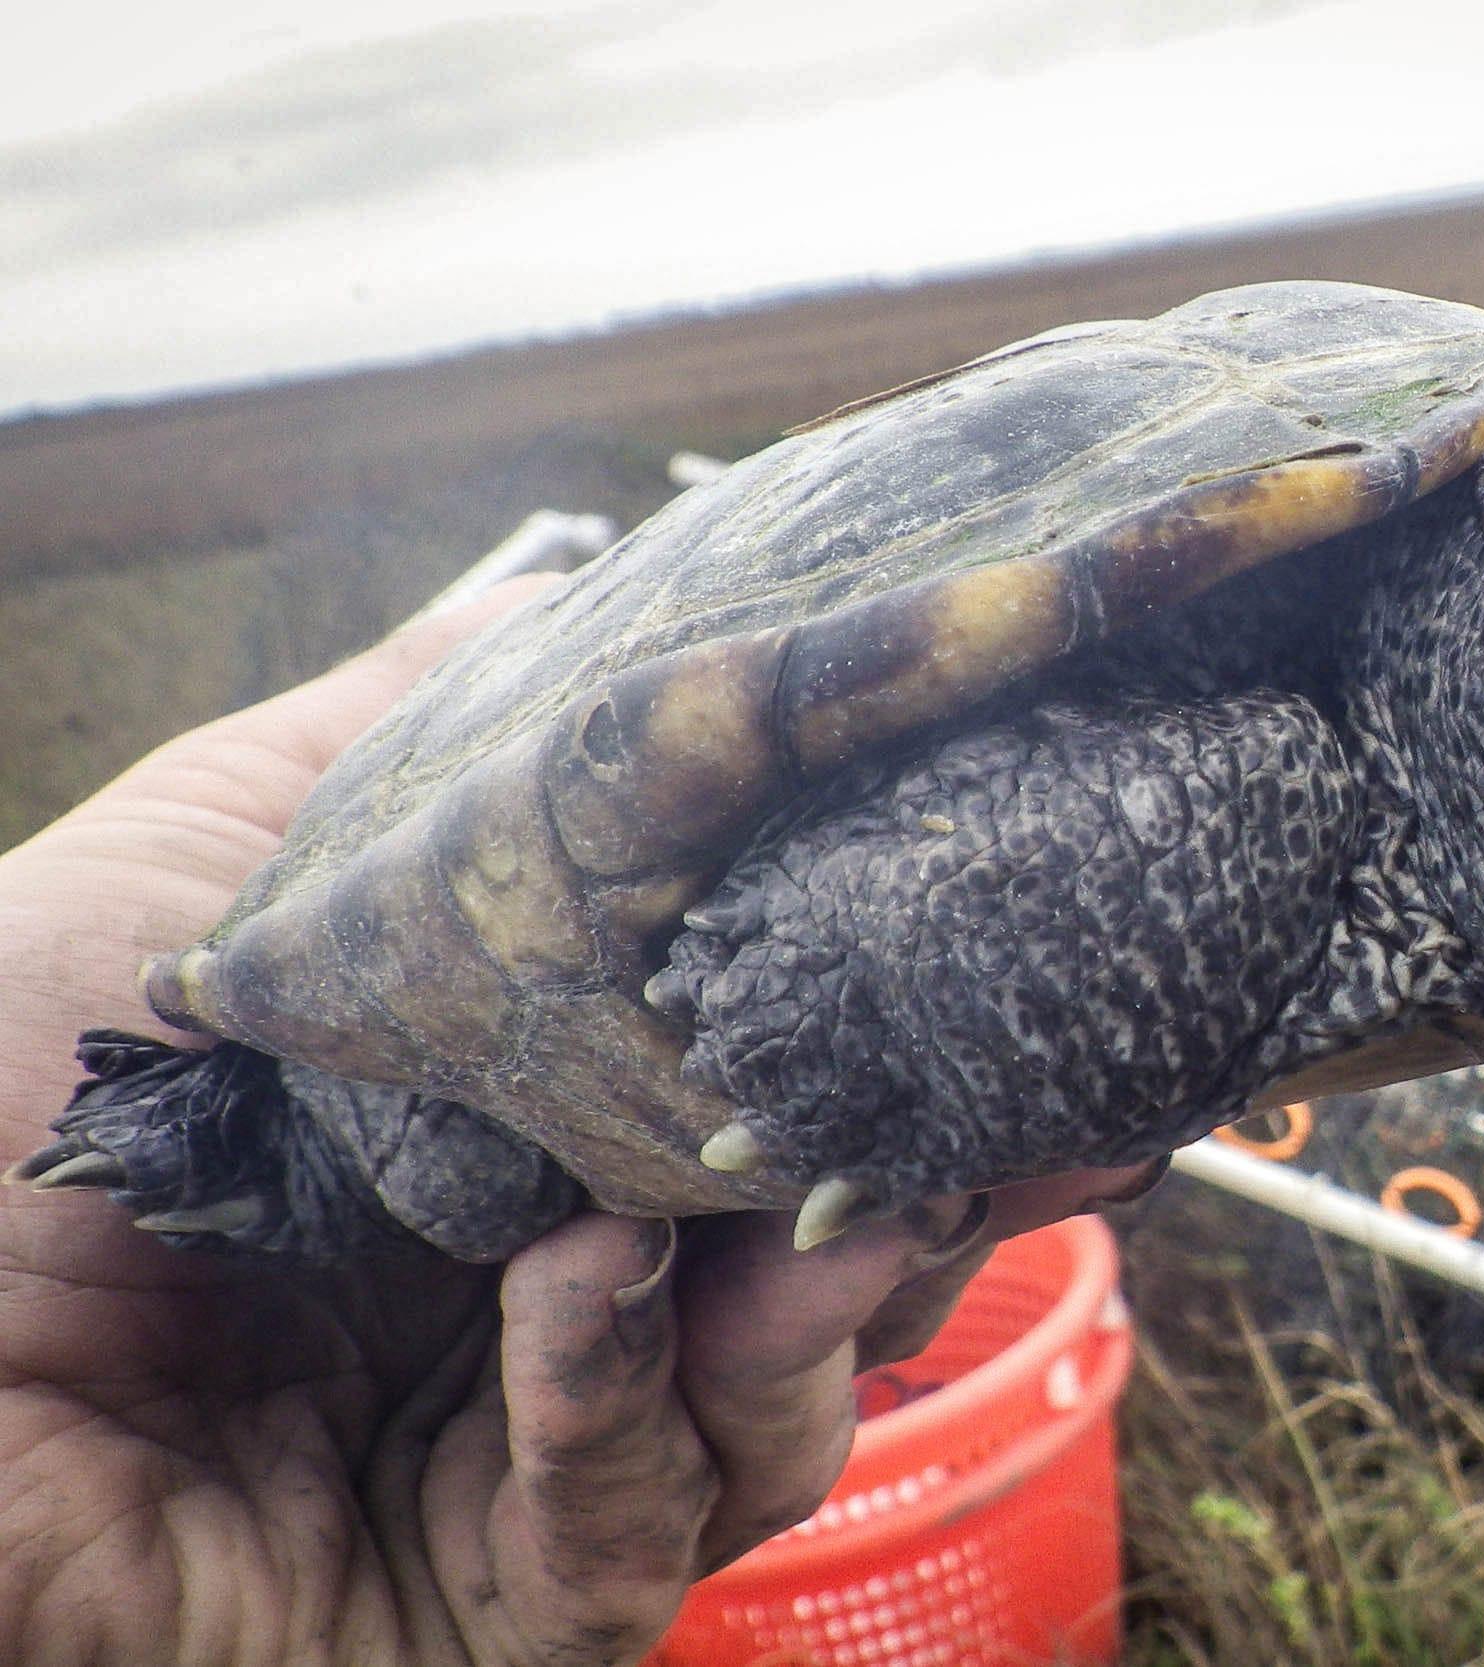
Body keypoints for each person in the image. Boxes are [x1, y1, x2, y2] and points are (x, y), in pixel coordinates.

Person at [0, 579, 1156, 1666]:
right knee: (466, 1170)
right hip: (448, 1008)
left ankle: (319, 1118)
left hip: (496, 1179)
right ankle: (286, 1120)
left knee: (495, 1187)